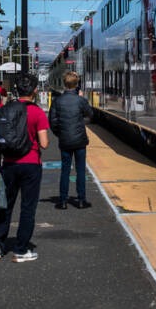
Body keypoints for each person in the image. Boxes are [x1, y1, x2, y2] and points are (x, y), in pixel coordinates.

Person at [0, 75, 49, 262]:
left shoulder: (7, 109)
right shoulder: (38, 113)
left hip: (9, 163)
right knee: (27, 208)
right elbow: (45, 144)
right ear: (34, 91)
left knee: (5, 205)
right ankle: (21, 250)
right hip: (31, 165)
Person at [49, 71, 93, 210]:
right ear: (77, 85)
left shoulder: (57, 101)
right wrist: (82, 99)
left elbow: (52, 122)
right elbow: (90, 114)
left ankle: (63, 201)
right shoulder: (80, 100)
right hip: (80, 141)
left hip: (65, 141)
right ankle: (81, 200)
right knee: (80, 171)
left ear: (64, 84)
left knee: (65, 170)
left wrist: (60, 134)